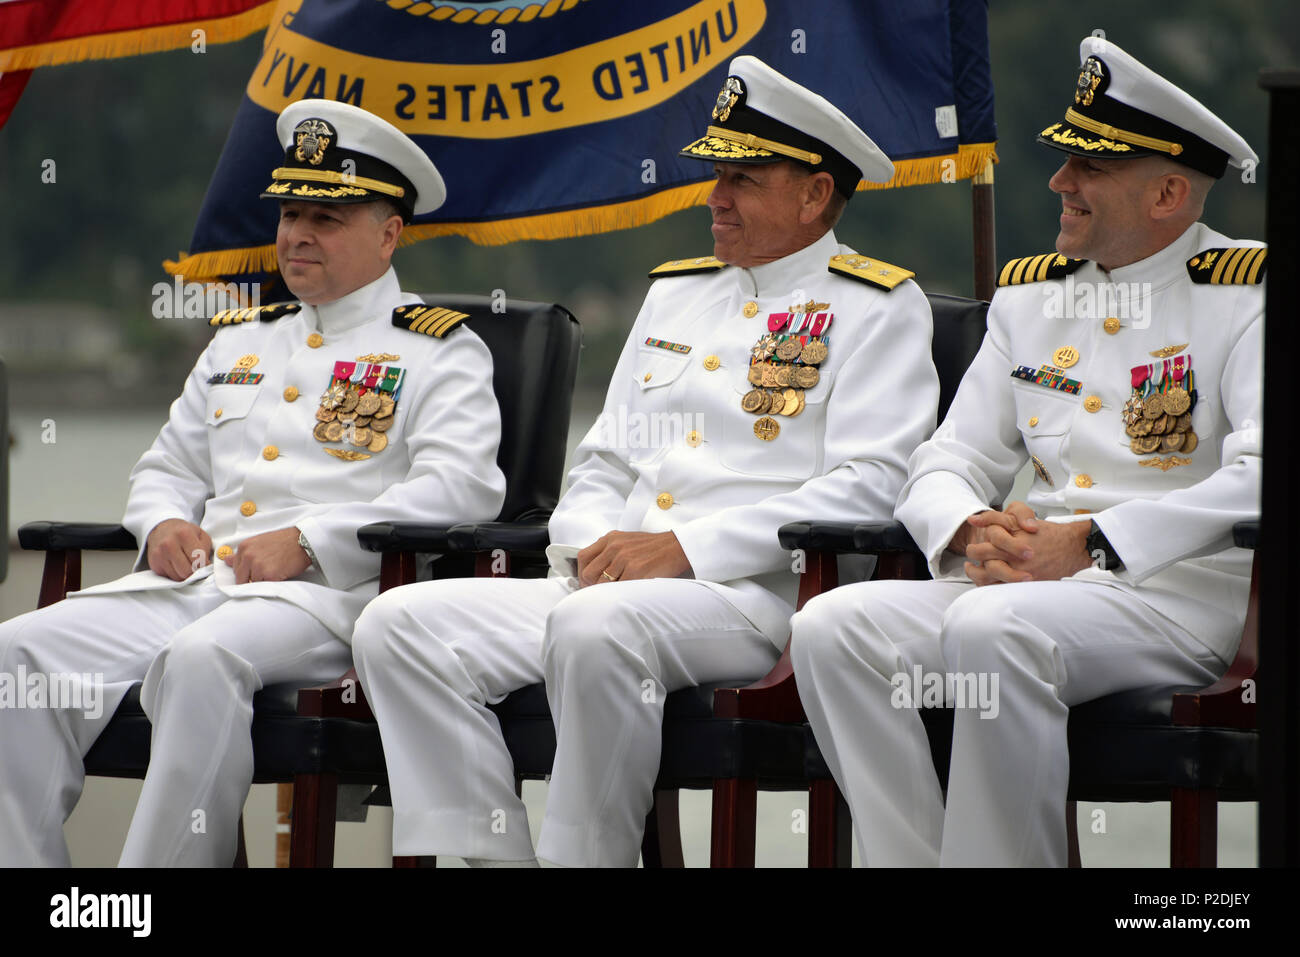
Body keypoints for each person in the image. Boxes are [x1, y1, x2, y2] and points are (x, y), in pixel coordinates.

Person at [352, 55, 938, 867]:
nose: (715, 196)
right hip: (614, 587)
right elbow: (604, 460)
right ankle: (494, 857)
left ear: (813, 194)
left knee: (597, 629)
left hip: (757, 596)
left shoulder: (878, 306)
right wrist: (591, 548)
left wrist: (685, 551)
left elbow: (871, 484)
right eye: (715, 174)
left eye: (743, 177)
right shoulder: (677, 293)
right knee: (396, 626)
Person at [790, 36, 1264, 866]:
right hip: (1027, 583)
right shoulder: (1031, 295)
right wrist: (972, 528)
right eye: (1064, 161)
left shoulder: (1249, 295)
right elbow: (945, 458)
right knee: (833, 627)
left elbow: (1263, 478)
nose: (1059, 183)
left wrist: (1088, 542)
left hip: (1181, 596)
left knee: (995, 626)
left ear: (1168, 191)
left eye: (1090, 166)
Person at [0, 99, 506, 866]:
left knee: (203, 657)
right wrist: (163, 524)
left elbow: (461, 490)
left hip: (333, 601)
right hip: (198, 586)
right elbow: (166, 468)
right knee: (17, 657)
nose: (297, 234)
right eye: (289, 213)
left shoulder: (440, 349)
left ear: (389, 232)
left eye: (326, 217)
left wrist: (308, 541)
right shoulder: (242, 339)